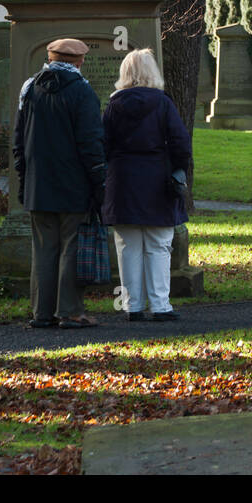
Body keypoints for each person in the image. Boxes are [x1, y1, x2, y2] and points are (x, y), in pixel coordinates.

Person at [13, 37, 105, 329]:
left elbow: (18, 141)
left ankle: (41, 313)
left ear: (50, 59)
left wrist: (24, 178)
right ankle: (70, 311)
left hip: (38, 184)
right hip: (74, 183)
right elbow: (90, 142)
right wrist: (99, 179)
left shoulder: (29, 89)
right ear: (79, 61)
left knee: (43, 248)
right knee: (71, 246)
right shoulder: (83, 92)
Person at [102, 48, 191, 322]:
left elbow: (102, 145)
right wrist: (177, 168)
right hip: (157, 179)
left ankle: (133, 305)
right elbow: (180, 143)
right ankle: (161, 305)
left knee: (128, 246)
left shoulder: (114, 105)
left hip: (123, 180)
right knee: (159, 244)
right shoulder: (163, 103)